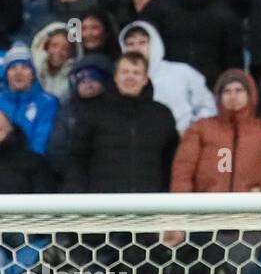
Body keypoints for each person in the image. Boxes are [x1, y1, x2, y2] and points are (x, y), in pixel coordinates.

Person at [64, 51, 179, 192]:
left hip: (150, 204)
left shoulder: (162, 115)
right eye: (125, 72)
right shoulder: (94, 111)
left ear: (145, 79)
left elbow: (172, 162)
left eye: (136, 73)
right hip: (104, 205)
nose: (130, 77)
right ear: (115, 77)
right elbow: (78, 160)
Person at [171, 70, 261, 193]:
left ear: (250, 94)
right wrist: (183, 204)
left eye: (239, 90)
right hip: (208, 208)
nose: (233, 96)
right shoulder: (200, 128)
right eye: (227, 91)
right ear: (219, 97)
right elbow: (183, 170)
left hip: (253, 208)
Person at [118, 20, 214, 133]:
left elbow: (207, 106)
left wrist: (192, 133)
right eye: (130, 44)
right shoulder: (122, 80)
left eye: (142, 42)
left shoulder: (182, 72)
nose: (137, 48)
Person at [140, 0, 242, 88]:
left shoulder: (225, 13)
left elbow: (233, 64)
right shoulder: (157, 8)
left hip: (211, 92)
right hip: (164, 89)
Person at [0, 42, 59, 155]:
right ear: (6, 74)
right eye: (13, 68)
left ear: (33, 74)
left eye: (25, 67)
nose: (18, 73)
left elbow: (41, 143)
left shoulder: (48, 102)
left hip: (32, 165)